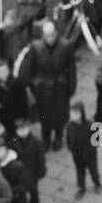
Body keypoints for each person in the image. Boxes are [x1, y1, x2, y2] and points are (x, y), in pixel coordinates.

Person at [21, 20, 76, 151]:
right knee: (44, 116)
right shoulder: (36, 47)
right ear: (43, 35)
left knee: (60, 115)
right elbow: (29, 70)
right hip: (43, 88)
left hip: (60, 86)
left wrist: (71, 87)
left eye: (52, 35)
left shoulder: (66, 46)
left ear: (56, 33)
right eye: (47, 35)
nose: (49, 38)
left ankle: (58, 136)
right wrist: (34, 84)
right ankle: (46, 138)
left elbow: (72, 68)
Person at [10, 116, 46, 203]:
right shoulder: (13, 142)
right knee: (21, 194)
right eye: (20, 129)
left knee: (34, 194)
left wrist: (41, 171)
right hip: (19, 174)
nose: (22, 132)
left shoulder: (36, 142)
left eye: (24, 128)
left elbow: (41, 158)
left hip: (32, 174)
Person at [66, 101, 102, 198]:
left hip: (90, 154)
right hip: (77, 154)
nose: (73, 116)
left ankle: (97, 183)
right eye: (72, 113)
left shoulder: (90, 125)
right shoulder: (70, 126)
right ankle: (81, 188)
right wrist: (70, 148)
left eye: (76, 114)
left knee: (93, 170)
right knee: (80, 172)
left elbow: (97, 140)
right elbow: (68, 138)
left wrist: (91, 150)